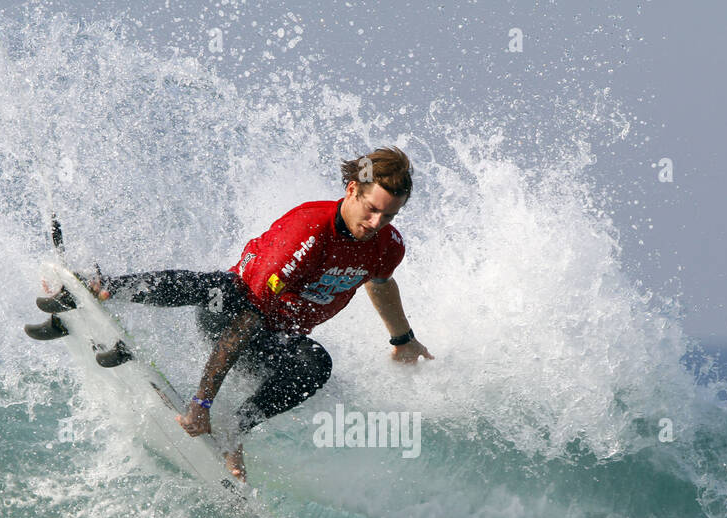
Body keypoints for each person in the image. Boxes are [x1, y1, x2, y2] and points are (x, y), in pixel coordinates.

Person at [28, 146, 432, 481]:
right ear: (351, 190)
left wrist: (402, 339)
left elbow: (379, 281)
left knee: (316, 363)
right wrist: (200, 404)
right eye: (372, 210)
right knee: (223, 288)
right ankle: (106, 288)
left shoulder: (386, 245)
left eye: (389, 216)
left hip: (273, 339)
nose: (377, 223)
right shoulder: (306, 236)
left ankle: (234, 430)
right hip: (231, 315)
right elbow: (244, 323)